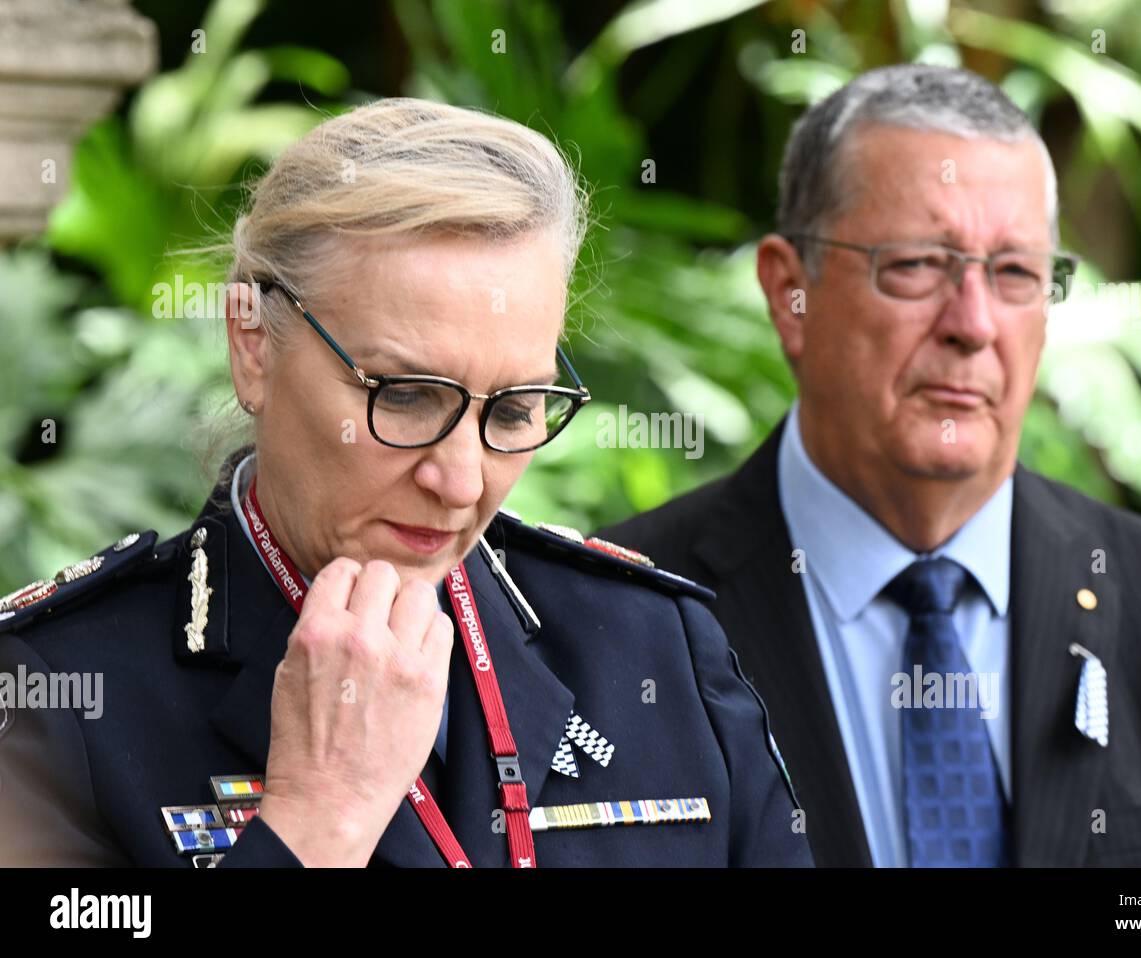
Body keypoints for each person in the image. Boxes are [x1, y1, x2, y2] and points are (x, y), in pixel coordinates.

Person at [0, 98, 810, 868]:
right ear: (253, 345)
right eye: (407, 395)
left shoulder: (654, 647)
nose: (460, 482)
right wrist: (318, 819)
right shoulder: (55, 694)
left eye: (516, 408)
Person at [601, 64, 1141, 867]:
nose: (972, 325)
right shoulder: (621, 619)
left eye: (1014, 274)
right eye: (917, 266)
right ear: (791, 294)